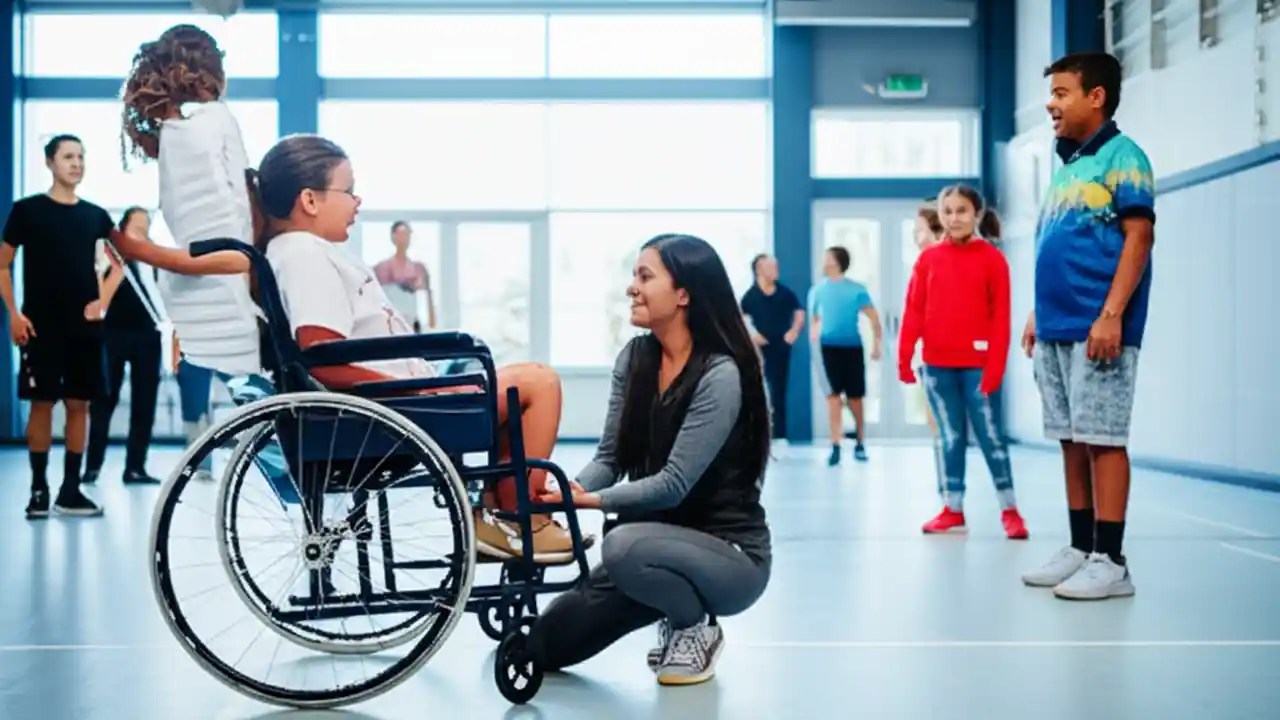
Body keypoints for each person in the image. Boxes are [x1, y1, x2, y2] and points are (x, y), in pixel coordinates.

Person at [247, 134, 582, 563]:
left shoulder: (306, 252)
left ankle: (506, 515)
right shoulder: (304, 255)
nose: (357, 201)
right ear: (309, 200)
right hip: (393, 410)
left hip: (395, 402)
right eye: (348, 191)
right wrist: (418, 392)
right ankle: (515, 517)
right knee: (538, 383)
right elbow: (322, 357)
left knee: (521, 382)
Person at [525, 232, 772, 687]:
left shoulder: (720, 373)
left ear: (683, 294)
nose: (630, 287)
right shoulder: (636, 357)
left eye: (645, 276)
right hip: (650, 547)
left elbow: (674, 482)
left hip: (729, 556)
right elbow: (609, 457)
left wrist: (590, 502)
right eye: (633, 276)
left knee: (621, 546)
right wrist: (563, 490)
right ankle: (665, 597)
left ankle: (693, 626)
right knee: (543, 647)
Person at [1019, 52, 1154, 601]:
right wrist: (1037, 312)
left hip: (1100, 328)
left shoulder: (1125, 157)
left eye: (1061, 93)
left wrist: (1111, 315)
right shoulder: (1069, 167)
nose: (1051, 104)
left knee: (1103, 440)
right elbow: (1054, 248)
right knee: (1071, 440)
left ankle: (1111, 559)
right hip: (1056, 325)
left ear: (1095, 97)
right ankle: (1081, 547)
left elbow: (1138, 239)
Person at [898, 186, 1027, 539]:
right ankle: (952, 509)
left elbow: (1000, 319)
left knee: (990, 437)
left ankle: (1010, 509)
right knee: (950, 437)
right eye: (948, 211)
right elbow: (914, 310)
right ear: (940, 216)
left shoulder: (993, 260)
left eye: (962, 210)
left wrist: (995, 367)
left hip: (978, 367)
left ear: (976, 214)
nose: (954, 218)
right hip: (937, 366)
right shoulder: (927, 261)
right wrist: (905, 355)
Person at [84, 207, 164, 485]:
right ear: (122, 229)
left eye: (146, 228)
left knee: (145, 403)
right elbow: (97, 297)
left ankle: (135, 468)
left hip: (148, 337)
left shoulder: (153, 260)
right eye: (136, 228)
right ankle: (92, 466)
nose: (142, 233)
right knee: (104, 402)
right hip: (113, 335)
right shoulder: (108, 257)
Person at [808, 246, 881, 464]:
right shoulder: (817, 291)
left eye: (827, 257)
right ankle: (835, 445)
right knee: (832, 397)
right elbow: (815, 321)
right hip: (827, 349)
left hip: (852, 348)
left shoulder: (857, 289)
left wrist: (876, 345)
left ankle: (859, 442)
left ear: (837, 261)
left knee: (855, 398)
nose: (823, 261)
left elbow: (874, 318)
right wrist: (814, 344)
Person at [740, 253, 803, 441]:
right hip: (758, 350)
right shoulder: (750, 296)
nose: (775, 271)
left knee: (779, 390)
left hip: (781, 348)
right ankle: (757, 435)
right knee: (757, 390)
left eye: (776, 267)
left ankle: (780, 435)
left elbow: (799, 313)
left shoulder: (785, 293)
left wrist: (793, 332)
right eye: (770, 267)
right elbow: (741, 318)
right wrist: (752, 335)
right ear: (759, 269)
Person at [372, 221, 436, 333]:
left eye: (407, 235)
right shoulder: (381, 269)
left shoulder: (419, 269)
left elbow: (427, 298)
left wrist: (431, 323)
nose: (404, 239)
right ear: (393, 237)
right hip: (389, 327)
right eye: (400, 234)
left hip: (413, 326)